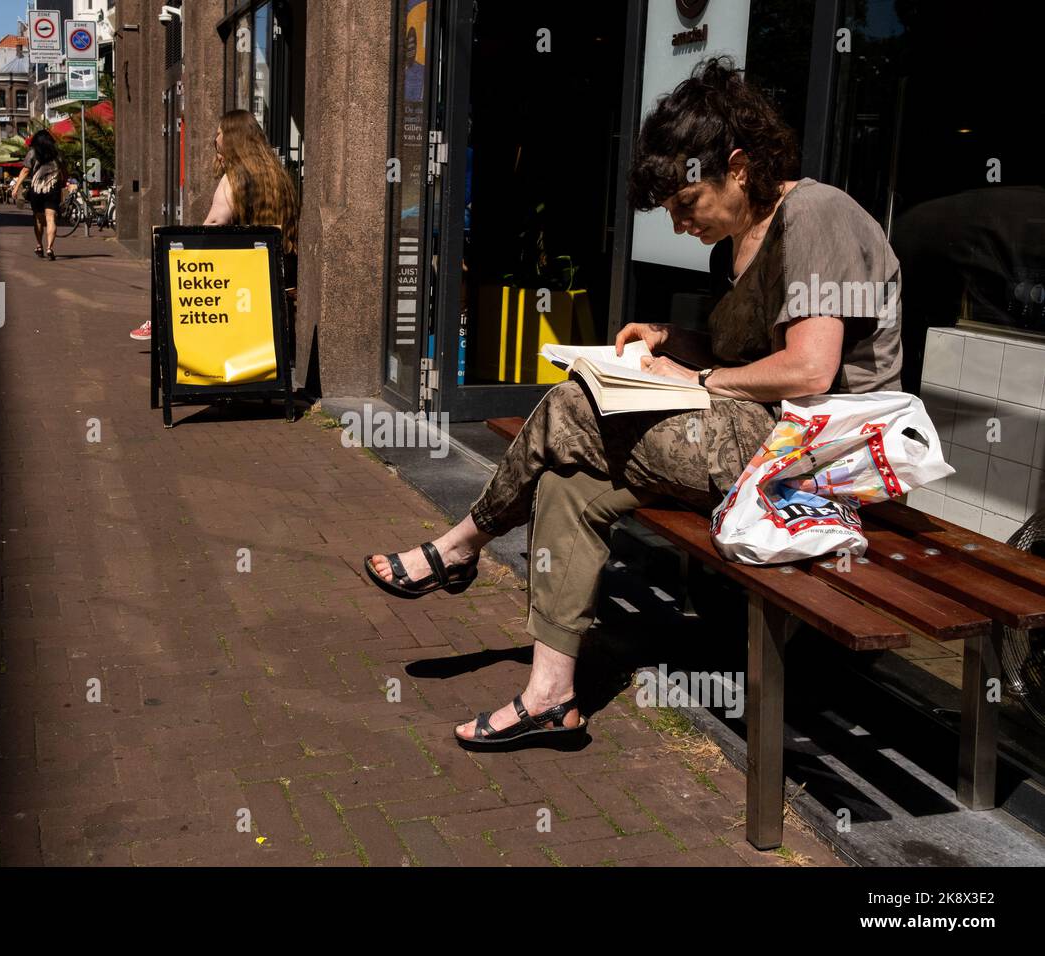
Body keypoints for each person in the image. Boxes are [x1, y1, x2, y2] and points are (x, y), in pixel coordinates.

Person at [364, 57, 903, 749]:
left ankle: (462, 543)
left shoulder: (818, 216)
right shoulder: (740, 244)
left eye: (687, 204)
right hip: (755, 439)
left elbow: (809, 368)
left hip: (813, 463)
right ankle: (552, 696)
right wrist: (672, 340)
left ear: (737, 166)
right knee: (568, 482)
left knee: (571, 407)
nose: (680, 224)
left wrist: (697, 384)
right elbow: (745, 357)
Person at [131, 109, 299, 341]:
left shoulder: (235, 177)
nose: (215, 139)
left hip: (240, 274)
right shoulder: (279, 176)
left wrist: (186, 263)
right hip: (278, 271)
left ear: (231, 137)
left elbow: (213, 223)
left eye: (218, 133)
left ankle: (162, 321)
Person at [10, 130, 66, 260]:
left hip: (37, 189)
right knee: (51, 219)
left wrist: (16, 187)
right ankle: (49, 248)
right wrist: (63, 182)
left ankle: (39, 245)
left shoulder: (33, 152)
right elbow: (64, 170)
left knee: (38, 219)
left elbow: (25, 170)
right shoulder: (58, 153)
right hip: (53, 189)